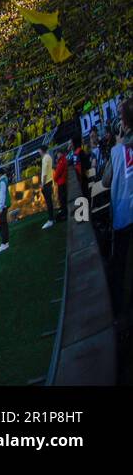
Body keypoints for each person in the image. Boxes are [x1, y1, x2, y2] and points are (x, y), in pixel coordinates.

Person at [102, 98, 133, 319]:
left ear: (124, 122)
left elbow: (105, 181)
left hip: (124, 218)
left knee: (121, 271)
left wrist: (117, 145)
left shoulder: (117, 151)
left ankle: (122, 318)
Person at [0, 167, 11, 254]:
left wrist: (0, 208)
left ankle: (4, 243)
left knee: (2, 226)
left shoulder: (2, 182)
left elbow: (2, 195)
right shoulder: (3, 181)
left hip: (2, 207)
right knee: (3, 225)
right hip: (3, 206)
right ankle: (5, 242)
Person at [40, 147, 55, 230]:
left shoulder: (45, 158)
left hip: (46, 183)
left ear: (42, 150)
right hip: (49, 182)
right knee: (49, 202)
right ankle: (51, 219)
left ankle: (50, 220)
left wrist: (42, 184)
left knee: (48, 202)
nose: (39, 152)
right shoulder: (48, 157)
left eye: (39, 150)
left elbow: (45, 172)